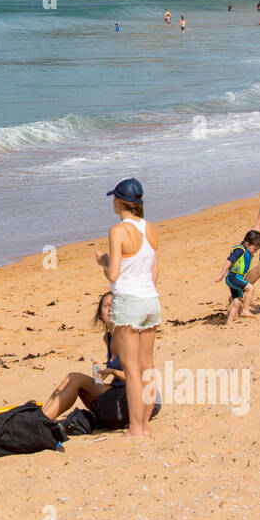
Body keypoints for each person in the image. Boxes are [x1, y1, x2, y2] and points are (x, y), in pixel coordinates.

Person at [96, 178, 160, 437]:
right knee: (148, 366)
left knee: (132, 369)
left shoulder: (118, 230)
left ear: (120, 201)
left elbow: (113, 275)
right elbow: (154, 269)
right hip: (150, 299)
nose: (112, 202)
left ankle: (136, 428)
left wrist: (103, 261)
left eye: (114, 198)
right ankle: (144, 423)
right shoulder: (150, 228)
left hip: (129, 301)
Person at [216, 231, 260, 323]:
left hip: (237, 278)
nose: (256, 252)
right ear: (247, 244)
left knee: (237, 301)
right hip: (233, 277)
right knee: (251, 288)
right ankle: (245, 310)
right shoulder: (240, 250)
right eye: (255, 249)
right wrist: (221, 275)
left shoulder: (247, 250)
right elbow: (229, 261)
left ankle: (229, 321)